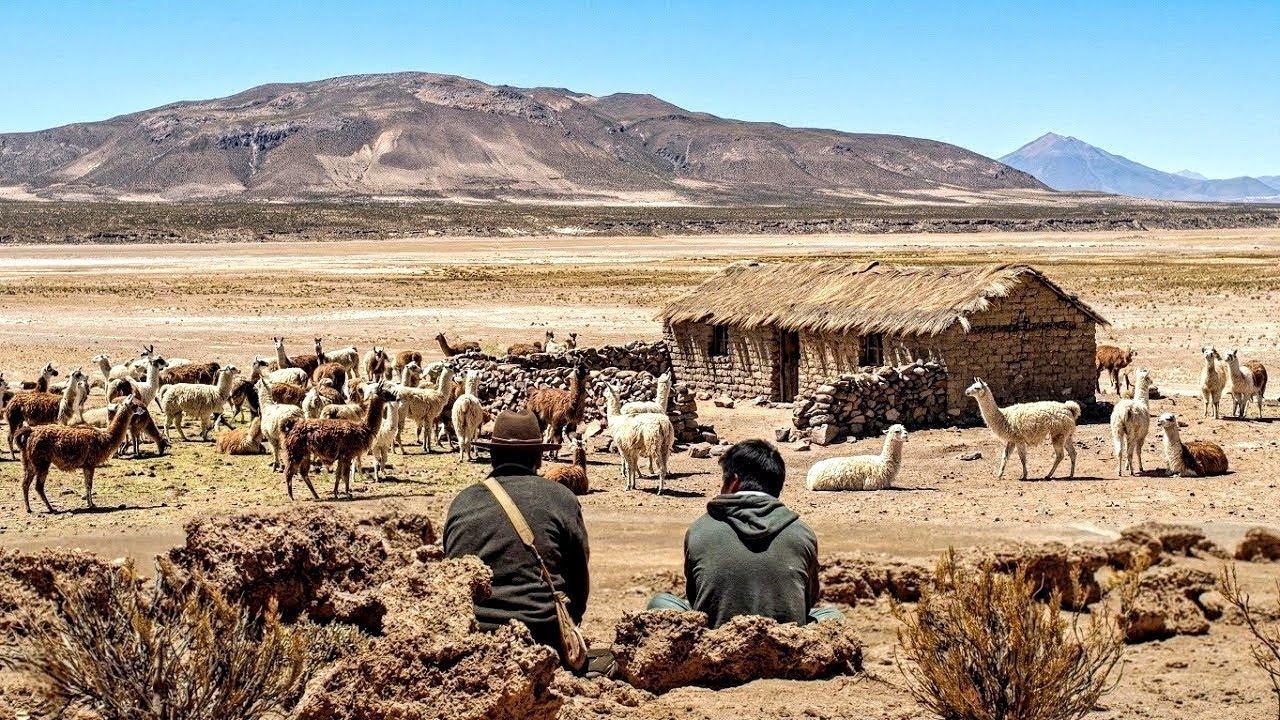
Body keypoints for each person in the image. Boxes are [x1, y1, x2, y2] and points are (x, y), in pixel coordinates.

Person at [444, 409, 590, 664]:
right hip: (542, 639)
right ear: (539, 458)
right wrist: (570, 623)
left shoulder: (462, 501)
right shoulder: (561, 498)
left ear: (492, 457)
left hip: (472, 639)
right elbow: (579, 578)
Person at [648, 438, 842, 628]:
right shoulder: (802, 533)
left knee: (661, 602)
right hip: (786, 649)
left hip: (714, 648)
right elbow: (808, 601)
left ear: (733, 482)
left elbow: (694, 596)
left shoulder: (700, 528)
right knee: (832, 616)